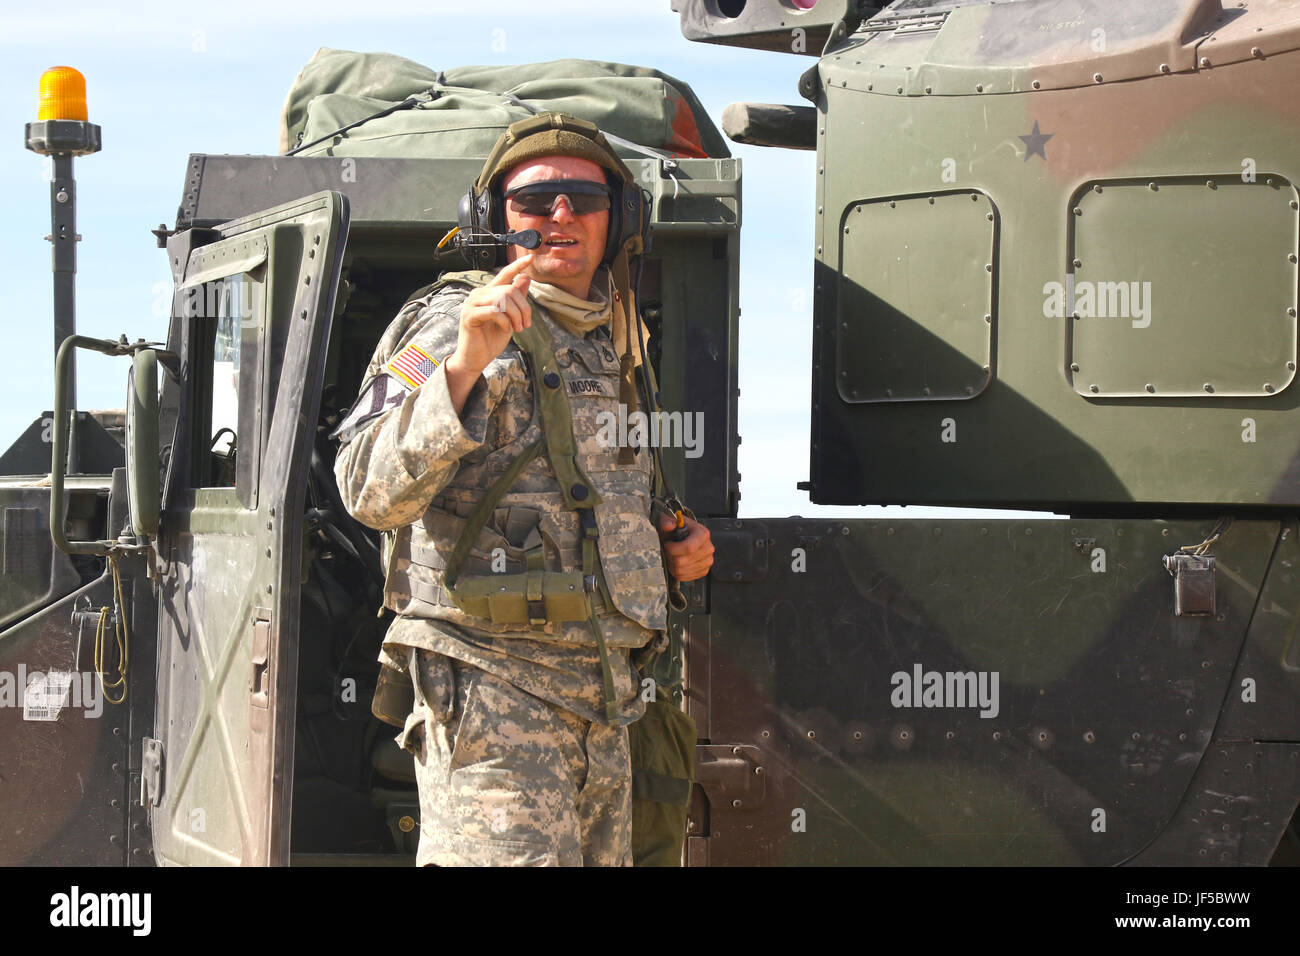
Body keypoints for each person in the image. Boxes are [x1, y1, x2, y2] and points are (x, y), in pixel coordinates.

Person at [333, 112, 713, 866]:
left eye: (583, 197)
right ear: (496, 221)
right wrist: (464, 368)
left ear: (619, 219)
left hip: (608, 705)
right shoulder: (443, 324)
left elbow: (605, 495)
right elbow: (365, 489)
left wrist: (668, 541)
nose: (561, 215)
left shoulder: (613, 342)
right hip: (492, 701)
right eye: (536, 203)